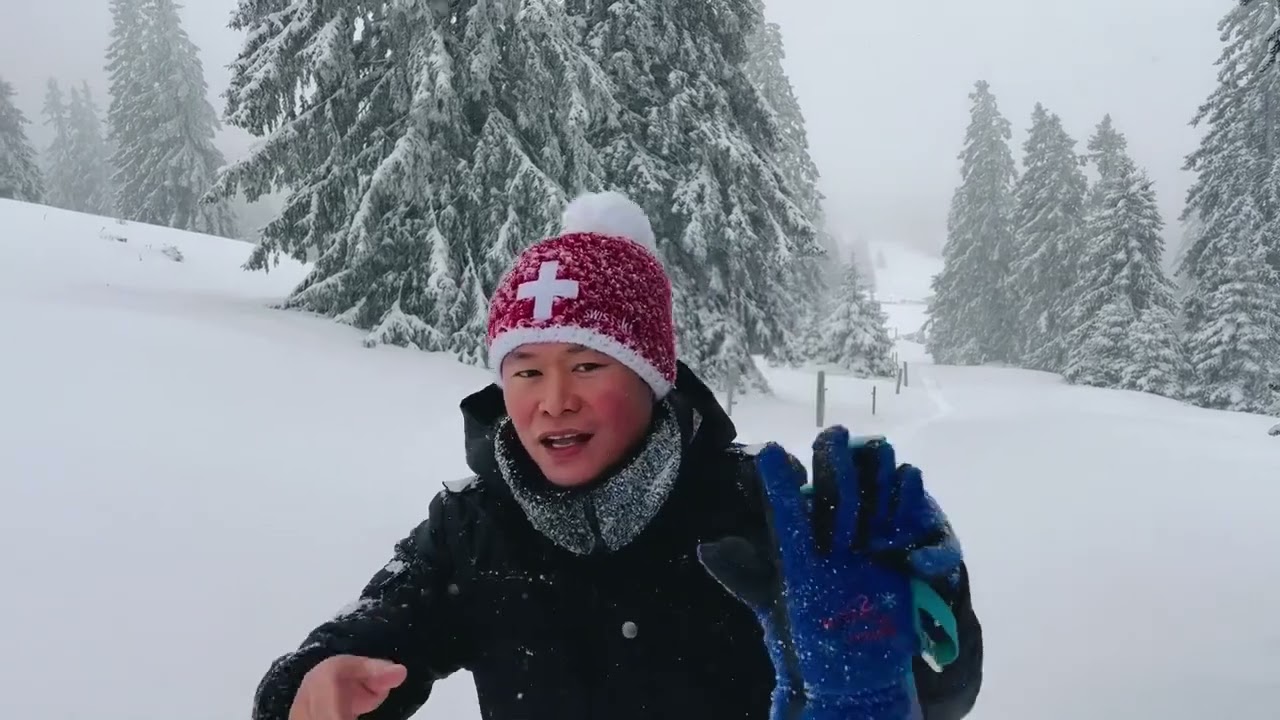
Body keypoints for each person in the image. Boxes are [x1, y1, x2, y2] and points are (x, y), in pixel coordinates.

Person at [253, 192, 983, 720]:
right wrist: (311, 681)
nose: (554, 400)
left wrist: (917, 628)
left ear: (653, 378)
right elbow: (371, 628)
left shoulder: (761, 504)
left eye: (588, 365)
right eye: (526, 371)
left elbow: (938, 692)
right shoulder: (471, 527)